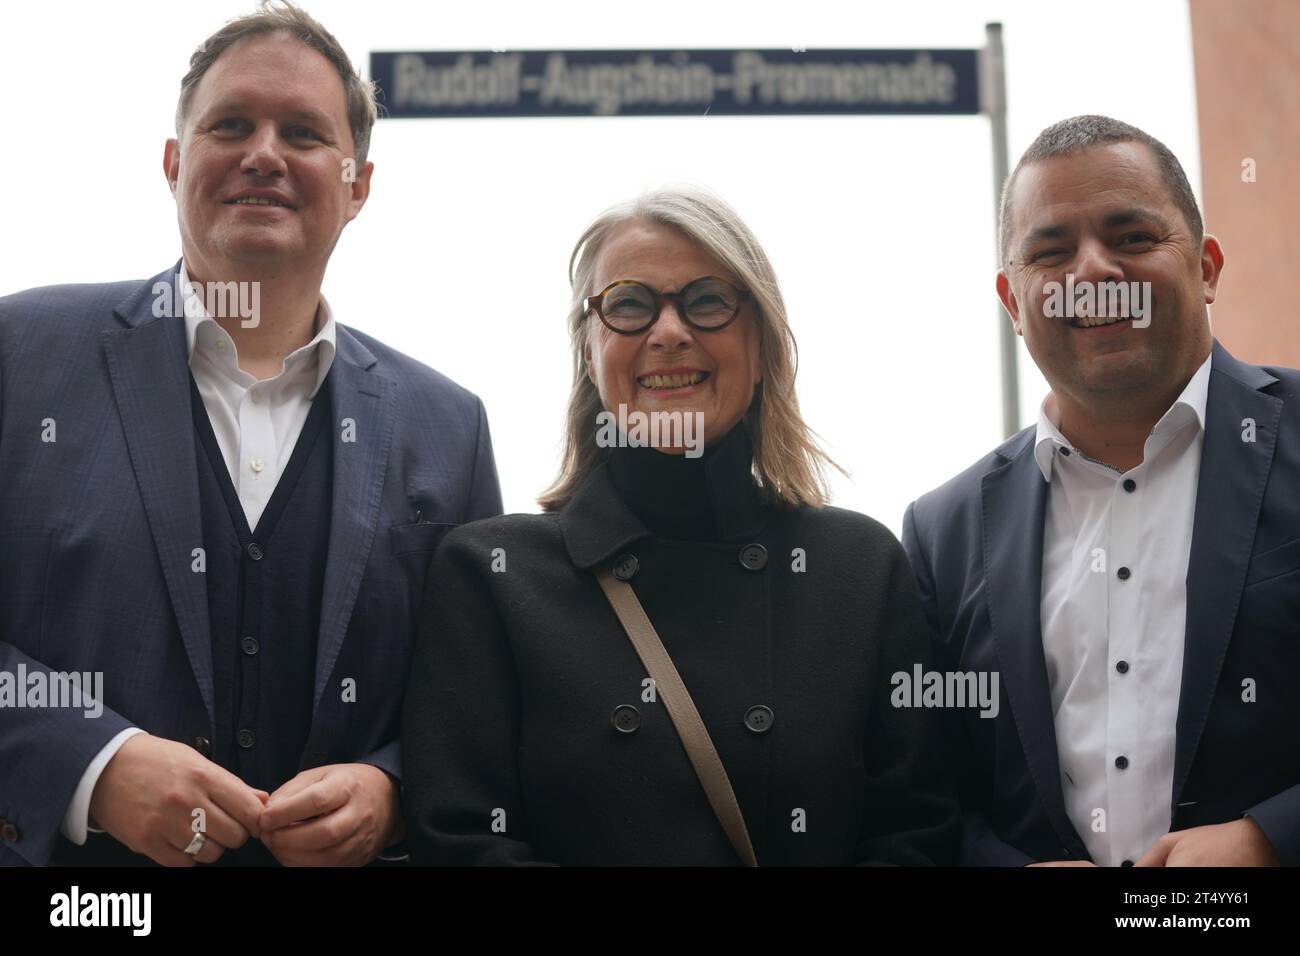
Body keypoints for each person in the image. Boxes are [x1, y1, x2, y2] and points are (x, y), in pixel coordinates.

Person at [0, 1, 501, 867]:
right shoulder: (19, 355)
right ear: (173, 163)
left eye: (303, 133)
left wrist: (393, 788)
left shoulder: (448, 428)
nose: (263, 153)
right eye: (231, 124)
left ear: (358, 187)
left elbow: (477, 699)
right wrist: (88, 764)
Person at [401, 186, 958, 865]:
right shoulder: (493, 575)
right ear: (589, 351)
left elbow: (919, 836)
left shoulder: (861, 569)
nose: (669, 332)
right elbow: (461, 844)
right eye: (630, 305)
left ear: (762, 347)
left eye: (708, 301)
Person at [902, 114, 1299, 867]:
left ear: (1207, 267)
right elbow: (926, 789)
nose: (1093, 273)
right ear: (1013, 303)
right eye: (1050, 252)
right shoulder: (941, 532)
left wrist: (1270, 840)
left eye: (1131, 237)